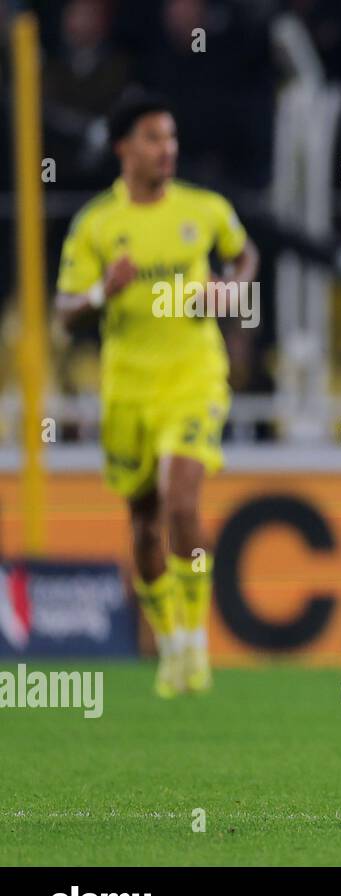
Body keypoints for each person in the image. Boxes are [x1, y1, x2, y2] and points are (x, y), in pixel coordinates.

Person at [53, 92, 259, 698]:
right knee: (144, 526)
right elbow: (63, 312)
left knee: (181, 499)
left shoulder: (205, 209)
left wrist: (231, 290)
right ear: (123, 147)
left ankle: (195, 638)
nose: (166, 149)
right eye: (152, 138)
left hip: (193, 377)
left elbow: (244, 253)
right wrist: (99, 294)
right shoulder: (96, 224)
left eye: (170, 138)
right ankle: (169, 642)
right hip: (128, 389)